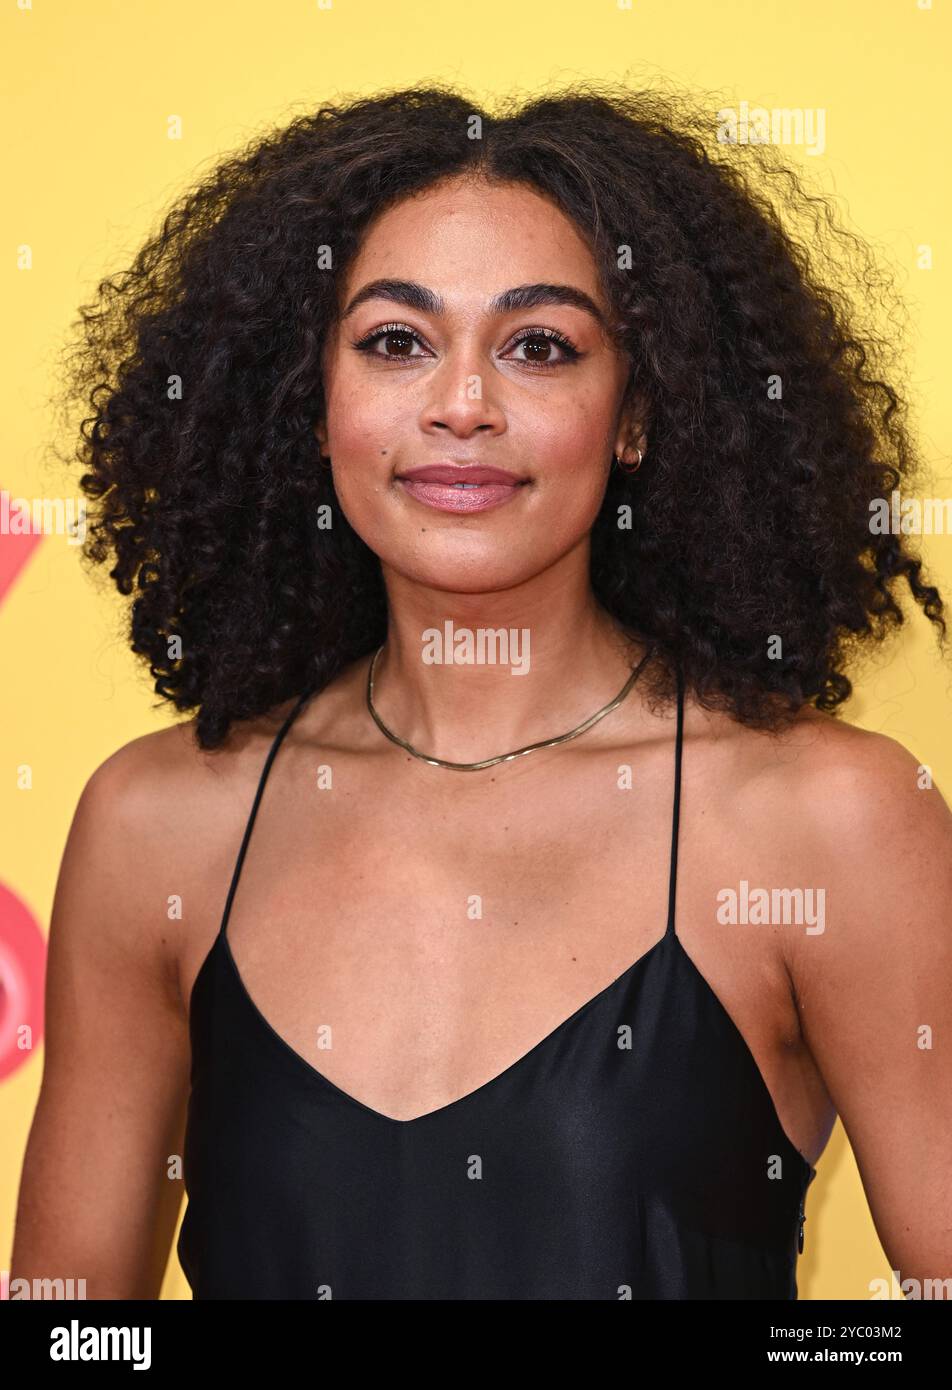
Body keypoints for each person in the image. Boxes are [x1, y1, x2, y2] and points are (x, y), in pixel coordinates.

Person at [11, 82, 952, 1300]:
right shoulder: (158, 823)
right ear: (314, 404)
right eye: (396, 341)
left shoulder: (831, 819)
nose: (462, 404)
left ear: (637, 417)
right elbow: (69, 1332)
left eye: (540, 346)